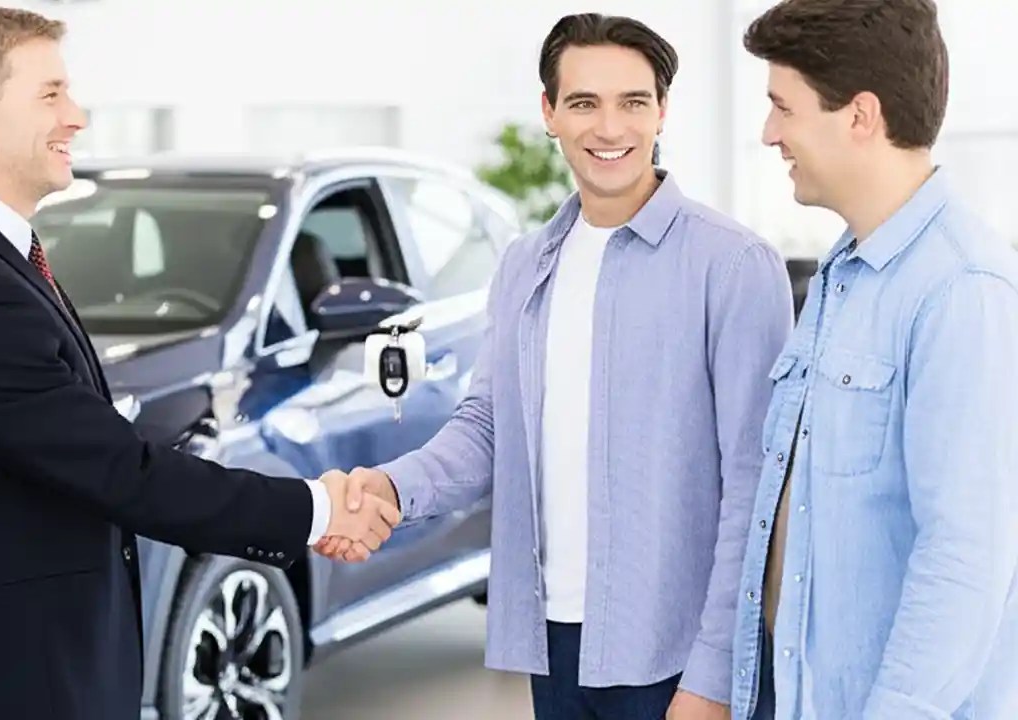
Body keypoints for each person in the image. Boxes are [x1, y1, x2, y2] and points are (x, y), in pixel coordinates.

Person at [0, 8, 399, 719]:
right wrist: (318, 508)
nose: (77, 116)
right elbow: (120, 471)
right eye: (50, 94)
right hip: (6, 680)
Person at [316, 12, 793, 720]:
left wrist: (716, 673)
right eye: (584, 103)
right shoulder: (524, 264)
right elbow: (487, 428)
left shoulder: (732, 265)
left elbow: (755, 487)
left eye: (633, 102)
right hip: (555, 643)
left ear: (662, 111)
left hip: (678, 653)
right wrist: (388, 488)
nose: (610, 128)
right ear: (550, 113)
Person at [728, 1, 1018, 718]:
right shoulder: (845, 272)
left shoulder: (962, 288)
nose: (769, 133)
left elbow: (964, 560)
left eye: (783, 108)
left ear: (860, 115)